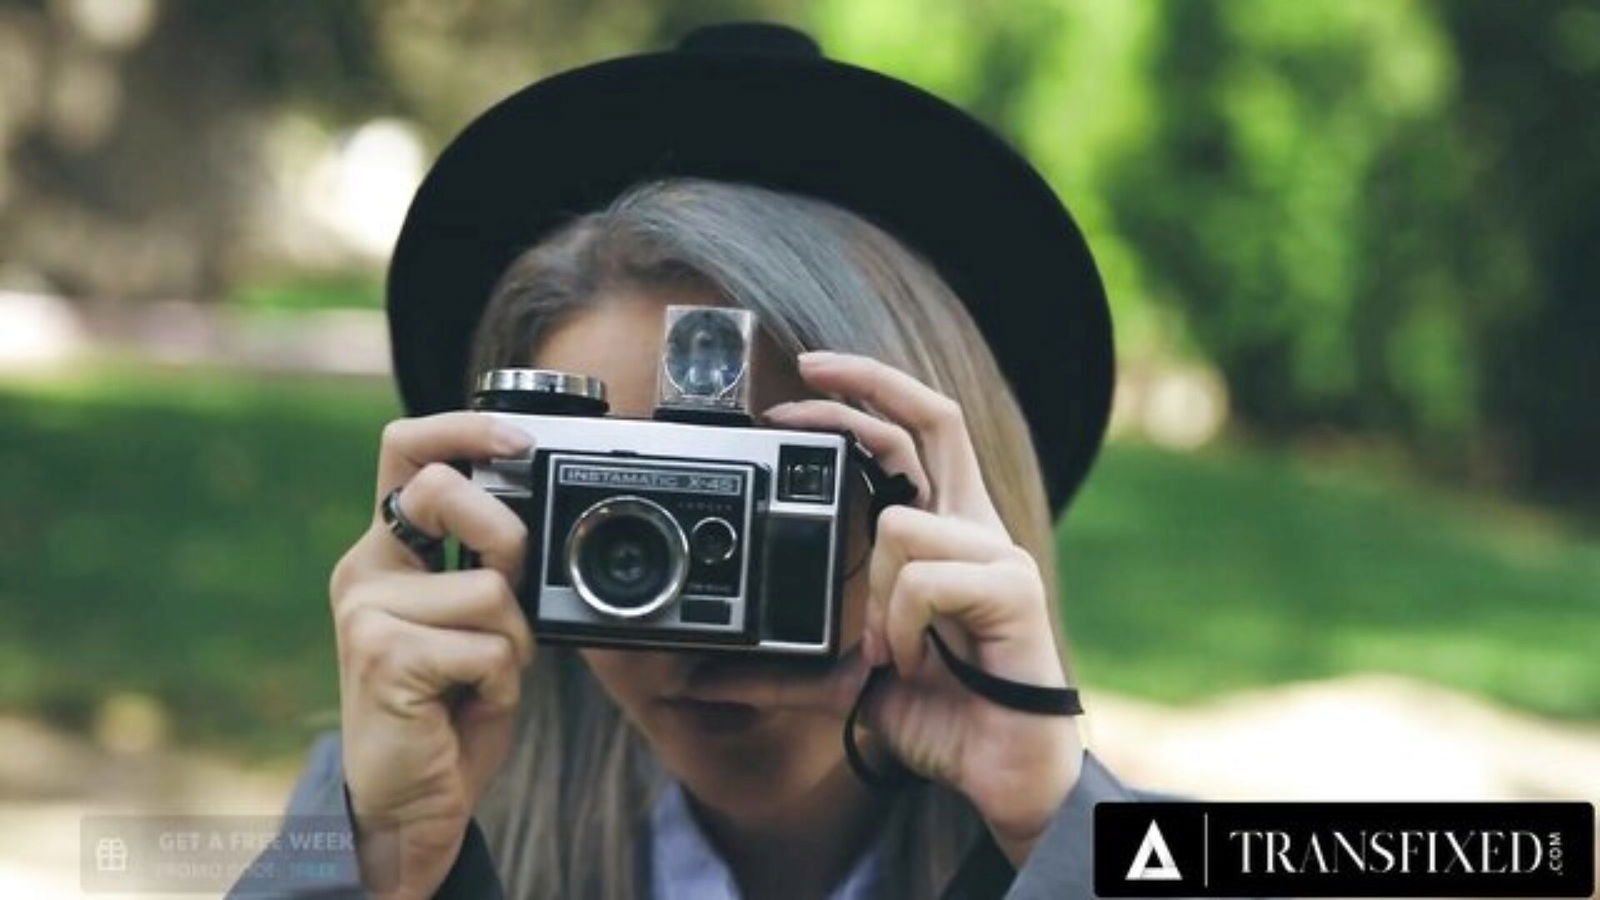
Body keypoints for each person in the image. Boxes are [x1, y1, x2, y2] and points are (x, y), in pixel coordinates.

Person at [231, 22, 1157, 900]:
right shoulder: (375, 799)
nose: (687, 625)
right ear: (496, 504)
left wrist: (1055, 824)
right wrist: (383, 860)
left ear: (955, 509)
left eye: (790, 503)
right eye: (618, 514)